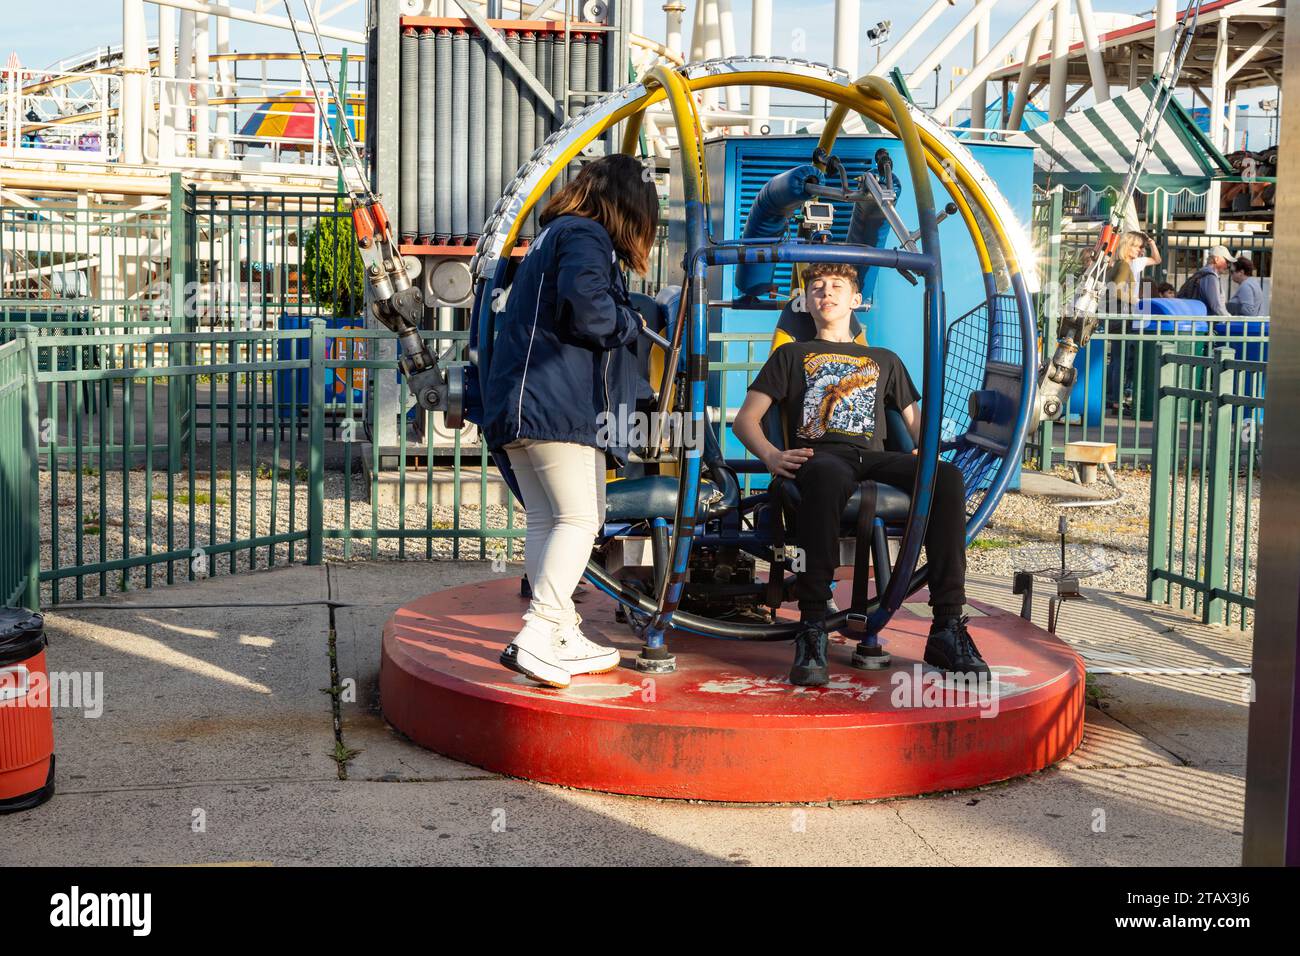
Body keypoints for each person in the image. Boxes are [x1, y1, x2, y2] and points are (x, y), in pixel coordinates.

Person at [732, 261, 985, 688]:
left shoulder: (884, 359)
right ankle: (813, 625)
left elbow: (915, 422)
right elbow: (746, 421)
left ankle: (946, 626)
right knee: (827, 475)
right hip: (821, 454)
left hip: (874, 457)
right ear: (805, 301)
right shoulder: (790, 355)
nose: (824, 293)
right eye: (815, 287)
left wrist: (927, 448)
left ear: (856, 300)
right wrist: (773, 457)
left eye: (835, 286)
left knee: (948, 478)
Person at [482, 154, 658, 688]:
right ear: (629, 206)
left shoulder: (552, 234)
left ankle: (557, 630)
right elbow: (591, 312)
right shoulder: (587, 236)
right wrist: (633, 320)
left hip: (516, 404)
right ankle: (541, 631)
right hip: (557, 405)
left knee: (547, 519)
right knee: (582, 520)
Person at [1106, 231, 1162, 409]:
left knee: (1118, 358)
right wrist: (1137, 301)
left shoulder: (1122, 264)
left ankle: (1115, 397)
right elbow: (1117, 290)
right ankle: (1117, 398)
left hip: (1119, 314)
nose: (1140, 250)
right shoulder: (1124, 266)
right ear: (1128, 246)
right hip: (1123, 314)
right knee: (1122, 359)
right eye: (1137, 247)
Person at [1176, 244, 1232, 316]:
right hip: (1205, 322)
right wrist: (1229, 320)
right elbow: (1217, 307)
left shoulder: (1201, 274)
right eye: (1226, 261)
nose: (1227, 265)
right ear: (1216, 259)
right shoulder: (1210, 277)